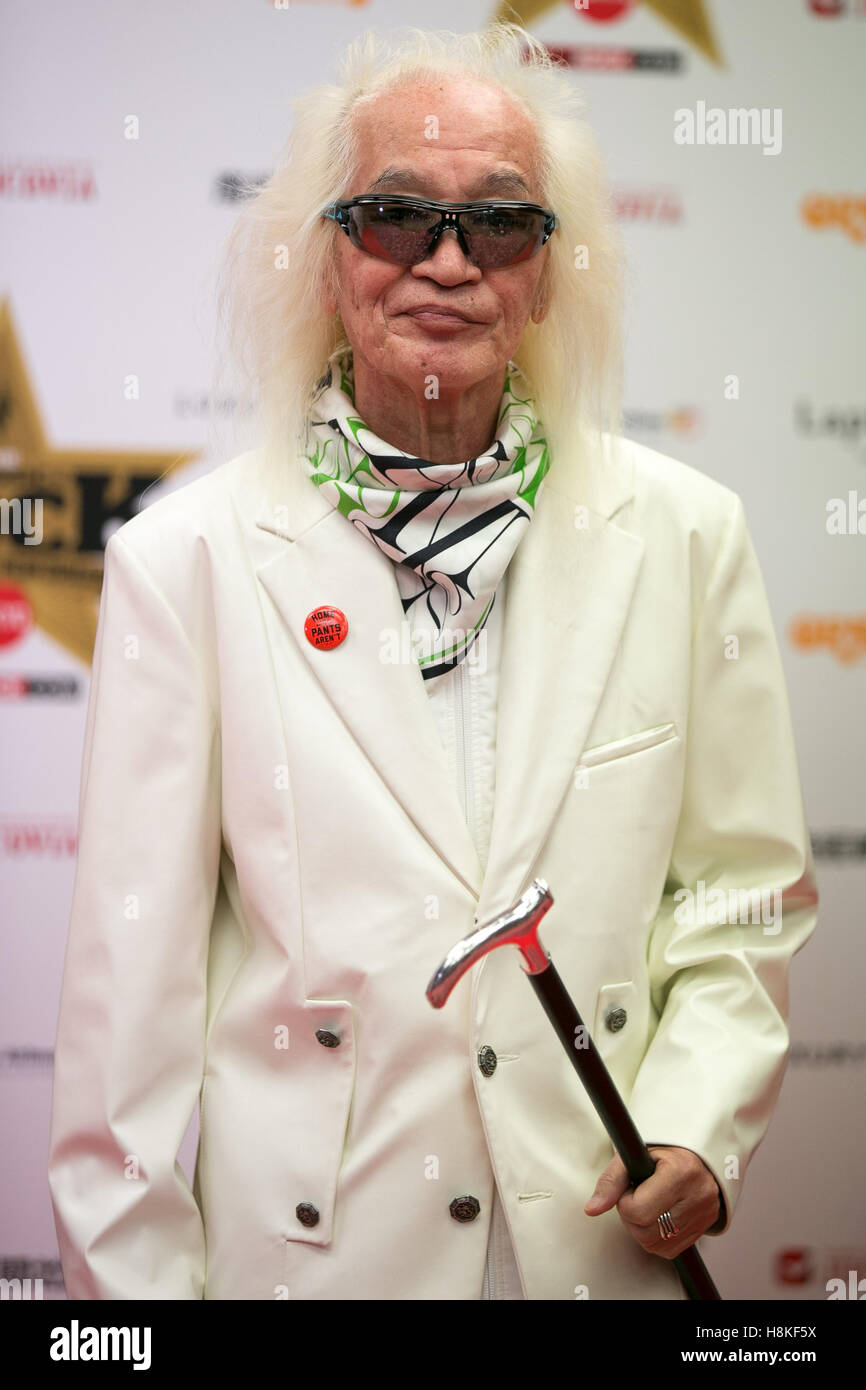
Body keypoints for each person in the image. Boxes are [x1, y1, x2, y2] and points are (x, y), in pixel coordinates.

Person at [47, 23, 818, 1300]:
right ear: (329, 257)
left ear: (548, 273)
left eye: (499, 223)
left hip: (593, 1258)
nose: (448, 262)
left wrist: (696, 1118)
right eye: (396, 215)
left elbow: (743, 892)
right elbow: (126, 1017)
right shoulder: (185, 560)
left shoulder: (684, 537)